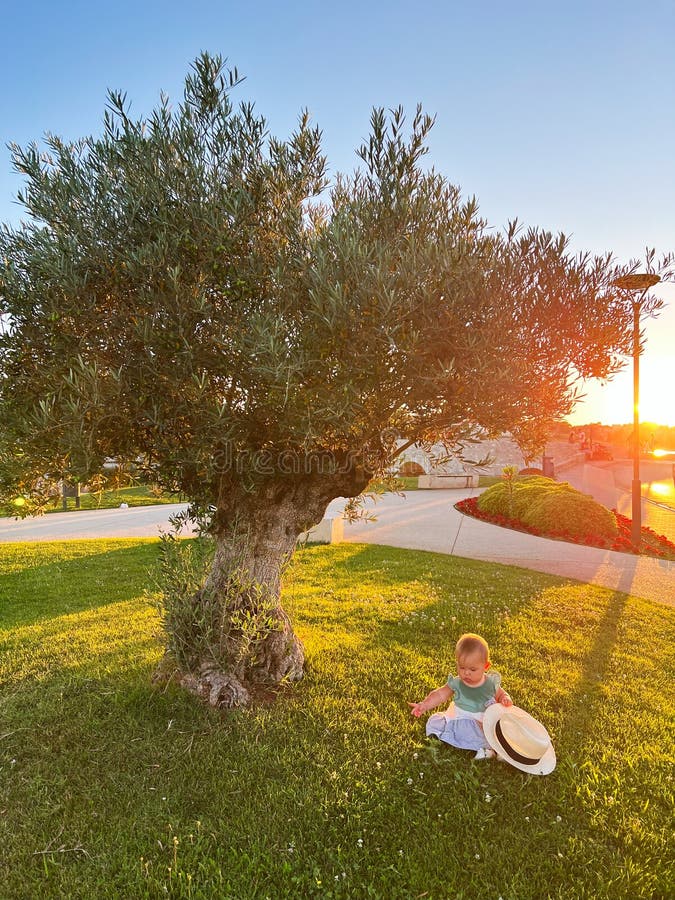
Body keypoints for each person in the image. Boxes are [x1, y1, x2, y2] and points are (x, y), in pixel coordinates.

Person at [408, 633, 512, 759]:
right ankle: (485, 749)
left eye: (473, 669)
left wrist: (505, 699)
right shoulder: (457, 683)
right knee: (449, 726)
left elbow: (501, 694)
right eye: (462, 667)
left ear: (485, 666)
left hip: (482, 721)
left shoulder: (490, 683)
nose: (466, 673)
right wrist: (424, 704)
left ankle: (494, 750)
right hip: (461, 717)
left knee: (495, 732)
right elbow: (440, 694)